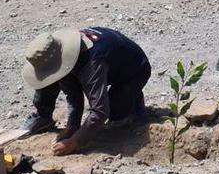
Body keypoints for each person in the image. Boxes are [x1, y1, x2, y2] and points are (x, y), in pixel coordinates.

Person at [21, 27, 151, 155]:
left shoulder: (92, 63)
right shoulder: (65, 55)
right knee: (49, 78)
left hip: (135, 69)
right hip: (109, 63)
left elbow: (100, 111)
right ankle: (43, 118)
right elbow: (73, 95)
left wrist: (75, 141)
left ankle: (134, 102)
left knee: (115, 112)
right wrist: (72, 127)